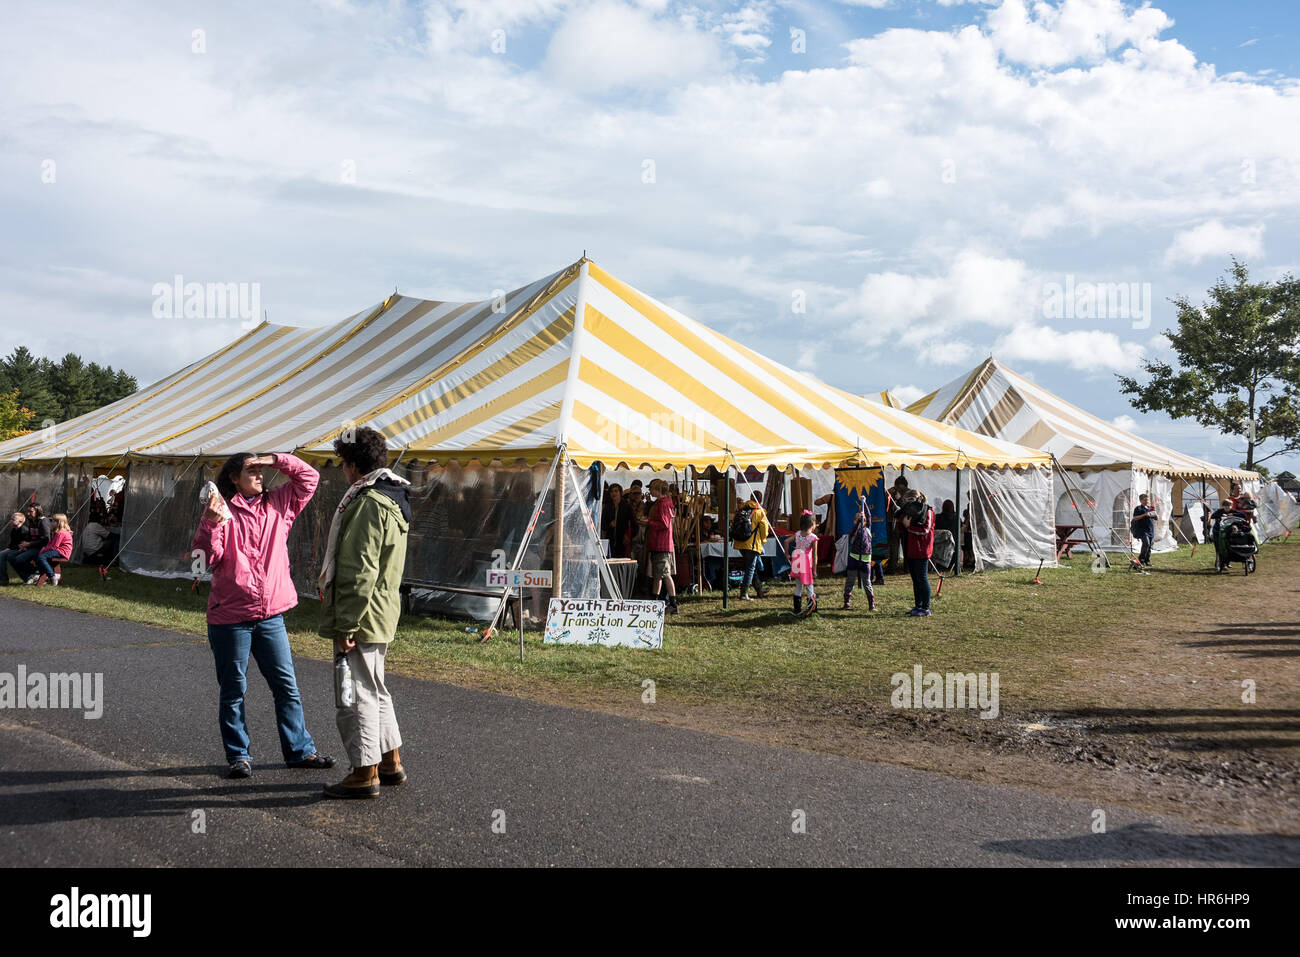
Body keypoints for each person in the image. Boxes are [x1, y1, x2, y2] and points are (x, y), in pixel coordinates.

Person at [193, 451, 334, 779]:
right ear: (233, 478)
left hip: (270, 615)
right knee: (233, 689)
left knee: (287, 686)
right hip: (230, 616)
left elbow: (309, 479)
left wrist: (276, 459)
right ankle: (239, 756)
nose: (260, 475)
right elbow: (203, 560)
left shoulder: (281, 503)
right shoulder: (221, 511)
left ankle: (300, 751)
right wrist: (211, 524)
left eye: (262, 471)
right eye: (251, 471)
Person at [318, 427, 411, 799]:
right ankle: (389, 762)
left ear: (353, 466)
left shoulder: (369, 502)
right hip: (382, 610)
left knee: (357, 694)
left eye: (343, 464)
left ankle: (363, 772)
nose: (342, 471)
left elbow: (359, 569)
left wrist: (347, 625)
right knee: (375, 689)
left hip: (364, 614)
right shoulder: (393, 496)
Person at [897, 490, 935, 617]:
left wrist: (909, 527)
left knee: (922, 578)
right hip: (911, 549)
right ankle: (918, 605)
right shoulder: (910, 512)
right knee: (915, 579)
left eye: (909, 500)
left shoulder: (928, 510)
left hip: (922, 549)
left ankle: (926, 607)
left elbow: (926, 530)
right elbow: (902, 529)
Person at [644, 479, 678, 614]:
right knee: (658, 575)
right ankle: (655, 601)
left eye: (652, 488)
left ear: (657, 490)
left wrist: (649, 523)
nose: (650, 491)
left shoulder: (663, 504)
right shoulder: (663, 503)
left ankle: (673, 603)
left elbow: (664, 524)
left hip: (661, 544)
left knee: (665, 574)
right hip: (659, 544)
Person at [733, 490, 771, 600]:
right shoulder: (760, 512)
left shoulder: (742, 509)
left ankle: (759, 590)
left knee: (751, 568)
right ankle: (743, 594)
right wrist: (763, 540)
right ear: (760, 500)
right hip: (752, 544)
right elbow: (764, 530)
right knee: (750, 569)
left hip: (740, 543)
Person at [843, 503, 875, 611]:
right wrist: (858, 522)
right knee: (850, 581)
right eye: (858, 520)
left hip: (865, 560)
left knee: (867, 583)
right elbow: (853, 531)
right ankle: (847, 602)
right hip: (854, 559)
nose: (861, 522)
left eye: (863, 520)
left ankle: (871, 605)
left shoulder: (868, 529)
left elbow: (869, 516)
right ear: (854, 521)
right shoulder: (853, 531)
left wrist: (865, 503)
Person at [6, 504, 49, 584]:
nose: (28, 513)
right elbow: (30, 536)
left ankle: (38, 572)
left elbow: (46, 540)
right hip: (31, 547)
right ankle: (28, 578)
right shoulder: (31, 522)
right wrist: (24, 544)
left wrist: (29, 544)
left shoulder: (43, 521)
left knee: (19, 559)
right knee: (10, 556)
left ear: (37, 511)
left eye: (31, 511)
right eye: (28, 511)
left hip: (41, 548)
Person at [28, 513, 73, 586]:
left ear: (58, 523)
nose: (51, 523)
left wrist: (44, 551)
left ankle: (52, 576)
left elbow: (54, 546)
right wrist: (43, 550)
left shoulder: (61, 533)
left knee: (42, 557)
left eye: (53, 521)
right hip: (58, 551)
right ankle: (39, 573)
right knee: (40, 556)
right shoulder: (57, 533)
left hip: (62, 552)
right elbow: (50, 544)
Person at [788, 510, 819, 615]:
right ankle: (812, 609)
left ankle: (797, 609)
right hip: (805, 563)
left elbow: (786, 541)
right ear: (812, 524)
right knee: (810, 586)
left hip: (797, 561)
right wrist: (814, 570)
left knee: (798, 586)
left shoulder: (797, 534)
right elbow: (814, 556)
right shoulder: (813, 538)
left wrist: (786, 554)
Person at [886, 476, 909, 572]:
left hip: (904, 523)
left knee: (905, 546)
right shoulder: (892, 493)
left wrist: (898, 498)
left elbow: (902, 506)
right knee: (894, 546)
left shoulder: (909, 493)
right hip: (895, 523)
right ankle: (892, 567)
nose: (899, 489)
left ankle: (906, 567)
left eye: (900, 487)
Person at [0, 512, 27, 585]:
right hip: (15, 549)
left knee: (10, 556)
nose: (11, 521)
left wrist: (14, 549)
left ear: (20, 521)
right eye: (11, 519)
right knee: (1, 555)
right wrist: (5, 550)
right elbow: (12, 544)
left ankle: (26, 577)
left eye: (13, 519)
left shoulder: (24, 530)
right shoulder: (14, 530)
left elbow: (24, 543)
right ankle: (3, 579)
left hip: (23, 550)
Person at [1131, 493, 1157, 567]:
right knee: (1146, 543)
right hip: (1142, 530)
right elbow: (1135, 518)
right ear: (1141, 500)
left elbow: (1156, 518)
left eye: (1148, 499)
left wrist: (1154, 513)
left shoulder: (1150, 508)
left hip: (1150, 529)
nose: (1147, 501)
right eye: (1145, 500)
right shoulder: (1138, 508)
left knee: (1149, 546)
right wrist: (1145, 515)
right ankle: (1141, 560)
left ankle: (1147, 561)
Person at [601, 484, 623, 556]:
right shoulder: (607, 507)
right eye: (611, 492)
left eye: (616, 491)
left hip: (622, 540)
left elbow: (633, 522)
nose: (614, 493)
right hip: (610, 539)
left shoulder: (626, 506)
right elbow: (602, 524)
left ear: (620, 493)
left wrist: (628, 535)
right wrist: (609, 524)